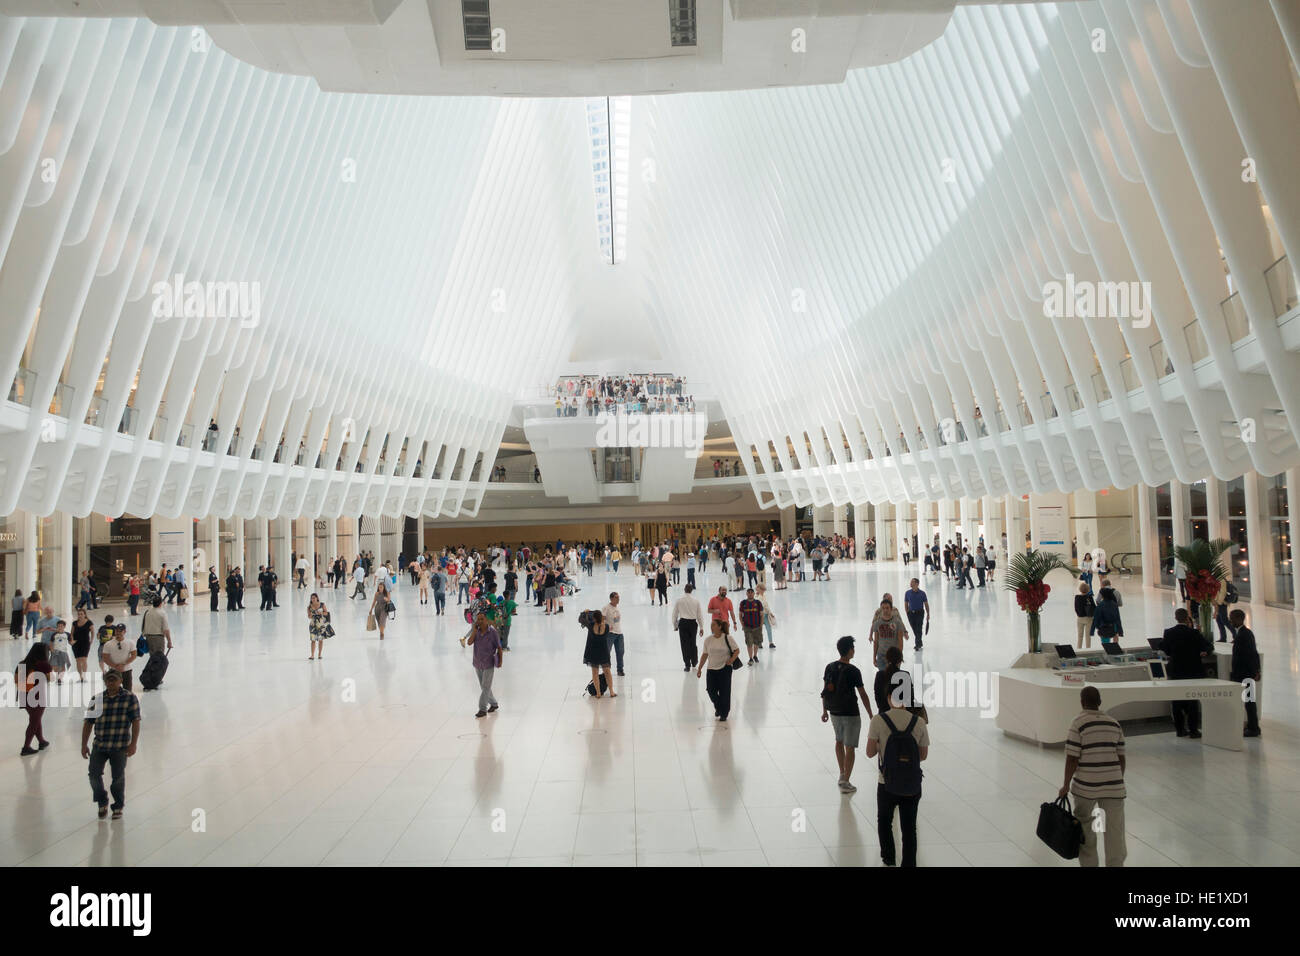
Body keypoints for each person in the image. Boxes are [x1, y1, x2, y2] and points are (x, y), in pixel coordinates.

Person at [1060, 686, 1127, 867]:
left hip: (1085, 787)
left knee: (1086, 830)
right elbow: (1121, 757)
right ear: (1100, 702)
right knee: (1115, 832)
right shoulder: (1114, 723)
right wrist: (1116, 779)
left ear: (1082, 702)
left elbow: (1072, 758)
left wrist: (1065, 785)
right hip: (1114, 787)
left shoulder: (1078, 723)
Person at [865, 680, 929, 867]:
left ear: (888, 698)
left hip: (886, 781)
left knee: (884, 821)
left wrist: (881, 745)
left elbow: (869, 752)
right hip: (911, 783)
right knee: (909, 828)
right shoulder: (919, 722)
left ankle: (889, 858)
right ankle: (909, 863)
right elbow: (923, 756)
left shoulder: (878, 720)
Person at [81, 668, 141, 820]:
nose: (111, 682)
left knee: (118, 778)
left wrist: (133, 743)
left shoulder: (130, 698)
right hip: (100, 745)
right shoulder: (97, 699)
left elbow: (136, 721)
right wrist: (84, 744)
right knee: (94, 775)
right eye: (108, 680)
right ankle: (102, 801)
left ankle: (118, 806)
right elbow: (88, 723)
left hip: (119, 746)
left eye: (114, 679)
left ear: (121, 681)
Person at [821, 636, 874, 793]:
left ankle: (842, 773)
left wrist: (824, 710)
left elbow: (825, 690)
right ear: (850, 650)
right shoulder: (853, 671)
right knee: (850, 746)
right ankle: (846, 781)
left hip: (834, 711)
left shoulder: (829, 667)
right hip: (850, 713)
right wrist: (871, 714)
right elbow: (863, 694)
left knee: (839, 741)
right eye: (853, 648)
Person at [1160, 607, 1213, 738]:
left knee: (1177, 701)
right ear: (1187, 618)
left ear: (1176, 618)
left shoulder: (1169, 632)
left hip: (1176, 671)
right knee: (1192, 701)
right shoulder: (1194, 633)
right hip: (1192, 671)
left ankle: (1180, 730)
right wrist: (1205, 652)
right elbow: (1208, 646)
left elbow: (1164, 649)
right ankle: (1193, 730)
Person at [1227, 609, 1260, 737]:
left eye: (1232, 618)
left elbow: (1250, 655)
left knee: (1249, 702)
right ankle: (1253, 726)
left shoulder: (1243, 635)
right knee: (1249, 701)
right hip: (1246, 673)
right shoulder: (1244, 633)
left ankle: (1253, 727)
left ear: (1239, 619)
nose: (1230, 621)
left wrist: (1255, 671)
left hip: (1244, 674)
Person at [697, 619, 739, 721]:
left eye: (714, 625)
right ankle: (719, 707)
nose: (712, 627)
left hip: (725, 668)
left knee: (725, 692)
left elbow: (737, 650)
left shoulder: (728, 638)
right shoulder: (708, 640)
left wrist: (731, 660)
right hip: (711, 669)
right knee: (711, 691)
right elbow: (705, 654)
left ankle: (724, 713)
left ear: (720, 627)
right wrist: (699, 668)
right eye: (711, 625)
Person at [16, 643, 52, 755]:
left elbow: (17, 680)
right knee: (34, 721)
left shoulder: (22, 663)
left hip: (24, 695)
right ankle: (26, 747)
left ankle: (41, 741)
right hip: (37, 697)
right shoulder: (44, 665)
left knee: (35, 719)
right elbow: (49, 679)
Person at [467, 612, 503, 717]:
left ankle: (482, 709)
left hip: (489, 663)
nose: (480, 621)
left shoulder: (492, 632)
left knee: (486, 686)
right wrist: (474, 630)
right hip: (477, 662)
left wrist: (500, 661)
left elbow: (499, 647)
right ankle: (494, 703)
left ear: (487, 620)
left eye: (482, 619)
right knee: (484, 687)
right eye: (478, 619)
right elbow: (469, 642)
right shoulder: (476, 631)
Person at [582, 609, 616, 700]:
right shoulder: (607, 627)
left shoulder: (591, 625)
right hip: (603, 651)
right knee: (607, 672)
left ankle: (598, 693)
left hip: (593, 652)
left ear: (593, 618)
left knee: (595, 673)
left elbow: (582, 620)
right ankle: (612, 691)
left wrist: (586, 613)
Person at [672, 583, 707, 672]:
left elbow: (674, 614)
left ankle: (687, 664)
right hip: (693, 624)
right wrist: (701, 627)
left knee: (684, 645)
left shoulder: (679, 600)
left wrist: (675, 626)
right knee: (693, 643)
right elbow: (699, 615)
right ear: (691, 590)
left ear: (684, 589)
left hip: (683, 623)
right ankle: (694, 661)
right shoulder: (696, 601)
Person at [870, 598, 905, 670]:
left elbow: (900, 641)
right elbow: (876, 642)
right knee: (883, 678)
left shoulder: (898, 622)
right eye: (883, 608)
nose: (885, 610)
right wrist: (874, 657)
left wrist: (900, 657)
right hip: (881, 656)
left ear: (891, 609)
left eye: (887, 608)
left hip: (894, 656)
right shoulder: (877, 623)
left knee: (893, 678)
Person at [602, 592, 626, 676]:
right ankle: (606, 670)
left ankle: (620, 669)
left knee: (620, 652)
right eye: (616, 597)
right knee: (607, 652)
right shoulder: (606, 608)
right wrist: (606, 627)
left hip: (619, 633)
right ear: (611, 599)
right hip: (610, 634)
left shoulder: (617, 607)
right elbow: (602, 619)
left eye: (619, 597)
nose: (618, 599)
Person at [738, 588, 764, 665]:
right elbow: (740, 615)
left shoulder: (758, 603)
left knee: (756, 642)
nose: (750, 594)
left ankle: (755, 655)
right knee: (749, 643)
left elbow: (761, 615)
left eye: (751, 592)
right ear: (746, 594)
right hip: (747, 627)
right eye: (748, 592)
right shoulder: (743, 603)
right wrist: (743, 625)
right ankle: (750, 658)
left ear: (753, 594)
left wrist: (761, 625)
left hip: (757, 627)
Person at [902, 579, 928, 652]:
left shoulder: (922, 593)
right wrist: (907, 613)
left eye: (912, 582)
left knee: (918, 628)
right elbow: (906, 603)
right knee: (914, 628)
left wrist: (928, 614)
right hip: (911, 613)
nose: (910, 583)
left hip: (920, 613)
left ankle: (917, 644)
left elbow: (926, 604)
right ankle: (919, 642)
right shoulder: (907, 593)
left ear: (917, 584)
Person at [70, 609, 94, 681]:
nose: (80, 615)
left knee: (84, 659)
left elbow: (92, 632)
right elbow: (71, 633)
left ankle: (84, 676)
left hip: (85, 643)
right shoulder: (74, 623)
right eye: (79, 614)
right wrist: (72, 640)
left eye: (81, 614)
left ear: (85, 614)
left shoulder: (89, 622)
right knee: (78, 660)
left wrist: (91, 640)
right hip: (76, 643)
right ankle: (80, 677)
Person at [307, 593, 332, 660]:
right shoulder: (309, 607)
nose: (313, 599)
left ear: (317, 598)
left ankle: (319, 654)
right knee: (313, 640)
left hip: (321, 624)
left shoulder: (322, 604)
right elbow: (309, 616)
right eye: (312, 598)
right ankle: (312, 655)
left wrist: (321, 613)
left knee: (320, 640)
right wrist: (312, 614)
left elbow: (326, 613)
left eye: (314, 598)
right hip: (313, 625)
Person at [1074, 582, 1096, 649]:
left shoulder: (1077, 597)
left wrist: (1078, 614)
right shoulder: (1089, 597)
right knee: (1088, 636)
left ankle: (1079, 648)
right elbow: (1094, 607)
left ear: (1080, 589)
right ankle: (1088, 649)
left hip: (1080, 618)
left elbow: (1076, 607)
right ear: (1088, 589)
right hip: (1088, 618)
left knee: (1080, 636)